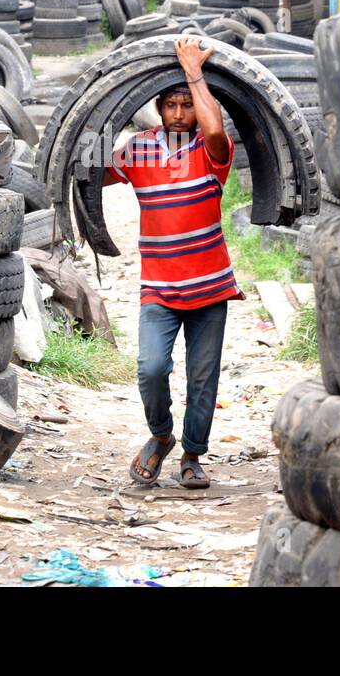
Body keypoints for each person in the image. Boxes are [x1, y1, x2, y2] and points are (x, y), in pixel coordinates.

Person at [105, 36, 242, 491]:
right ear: (158, 109)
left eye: (187, 105)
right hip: (159, 288)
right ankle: (160, 436)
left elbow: (217, 131)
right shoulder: (139, 150)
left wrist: (194, 75)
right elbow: (87, 171)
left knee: (203, 377)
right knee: (150, 368)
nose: (180, 113)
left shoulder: (212, 151)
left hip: (210, 288)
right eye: (172, 105)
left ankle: (192, 455)